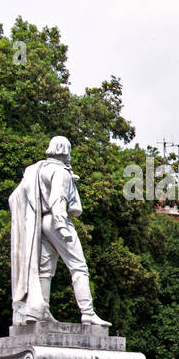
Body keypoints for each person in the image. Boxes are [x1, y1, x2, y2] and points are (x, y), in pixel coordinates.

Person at [8, 136, 108, 326]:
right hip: (56, 221)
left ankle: (41, 310)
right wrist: (62, 226)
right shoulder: (60, 173)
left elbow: (16, 196)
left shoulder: (37, 170)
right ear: (65, 150)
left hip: (41, 223)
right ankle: (87, 312)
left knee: (45, 270)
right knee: (78, 266)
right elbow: (57, 199)